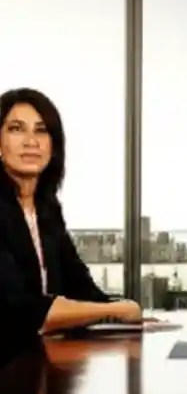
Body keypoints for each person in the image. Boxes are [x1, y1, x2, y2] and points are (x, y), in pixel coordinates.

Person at [0, 88, 142, 333]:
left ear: (53, 145)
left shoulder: (47, 209)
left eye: (41, 130)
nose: (31, 141)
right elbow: (20, 309)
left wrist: (121, 309)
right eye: (16, 129)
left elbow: (80, 287)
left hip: (36, 356)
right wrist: (115, 310)